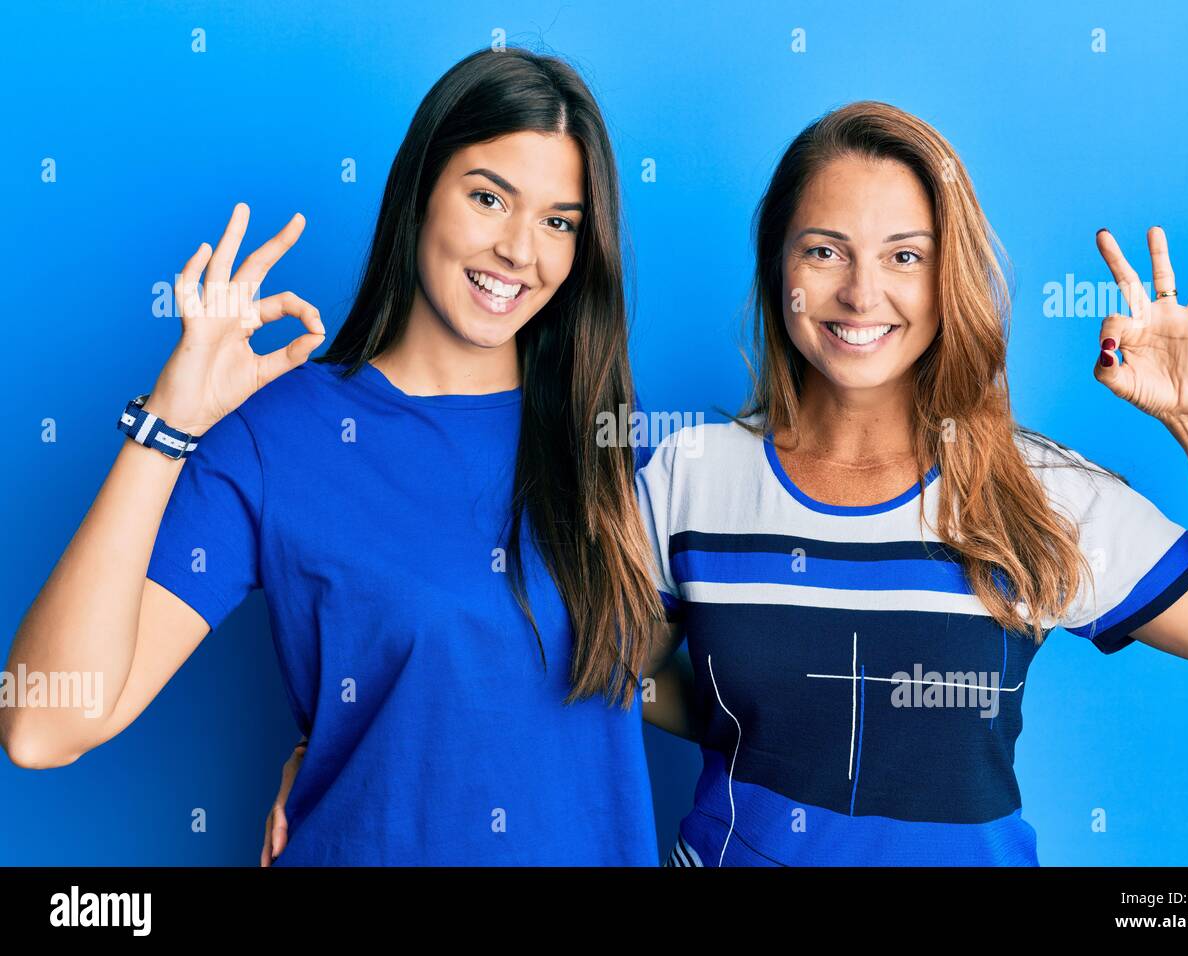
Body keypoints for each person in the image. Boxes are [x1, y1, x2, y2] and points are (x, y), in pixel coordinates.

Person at [1, 47, 687, 866]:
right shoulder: (278, 434)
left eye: (558, 221)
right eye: (487, 197)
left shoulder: (613, 438)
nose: (519, 250)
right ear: (419, 190)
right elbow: (44, 726)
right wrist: (169, 420)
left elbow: (640, 673)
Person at [644, 100, 1188, 866]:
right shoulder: (690, 475)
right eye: (825, 251)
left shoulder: (1039, 493)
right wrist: (750, 722)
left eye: (905, 257)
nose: (862, 294)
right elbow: (624, 670)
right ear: (776, 265)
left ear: (948, 277)